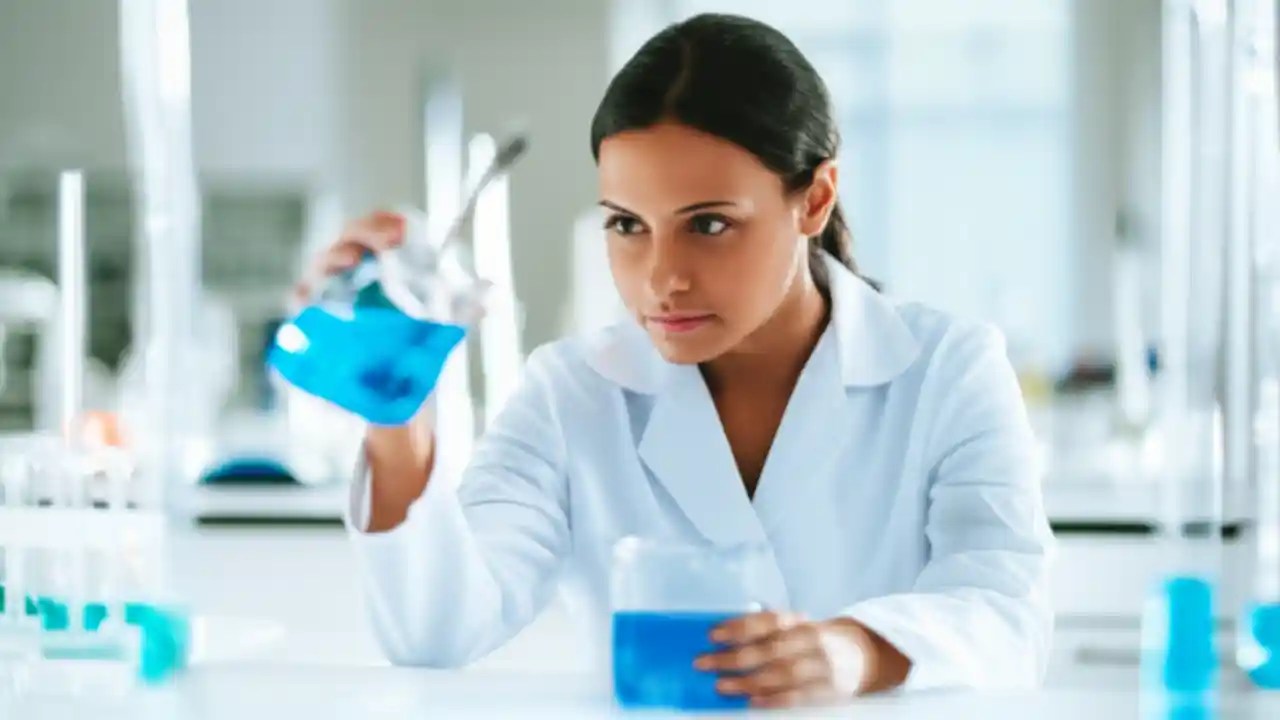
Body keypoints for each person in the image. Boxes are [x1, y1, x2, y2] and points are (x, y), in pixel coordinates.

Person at [308, 13, 1053, 708]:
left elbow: (1007, 611)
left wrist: (855, 651)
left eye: (709, 225)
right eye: (628, 225)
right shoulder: (572, 393)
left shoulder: (948, 369)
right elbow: (436, 632)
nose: (662, 277)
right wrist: (395, 417)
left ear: (815, 199)